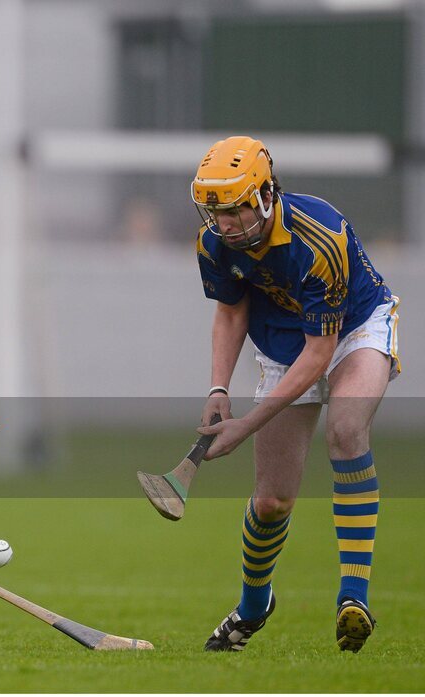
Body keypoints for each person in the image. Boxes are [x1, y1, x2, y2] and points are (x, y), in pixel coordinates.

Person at [191, 136, 399, 653]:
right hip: (282, 344)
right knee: (271, 500)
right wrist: (219, 387)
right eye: (216, 211)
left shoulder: (318, 238)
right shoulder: (213, 243)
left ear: (264, 196)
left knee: (346, 429)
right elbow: (231, 311)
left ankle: (354, 598)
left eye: (236, 209)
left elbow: (319, 355)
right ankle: (253, 607)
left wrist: (248, 422)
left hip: (353, 330)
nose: (226, 223)